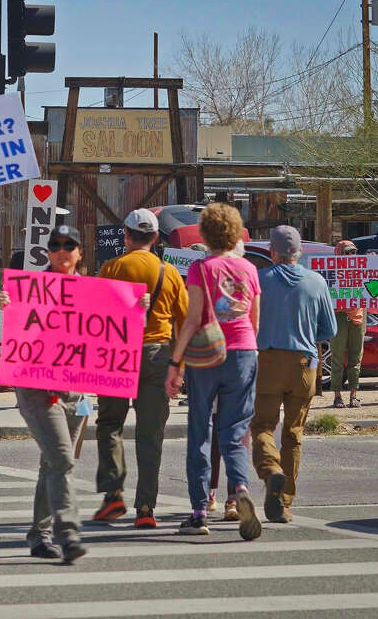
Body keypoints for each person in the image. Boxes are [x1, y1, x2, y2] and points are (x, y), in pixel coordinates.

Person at [165, 203, 262, 540]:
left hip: (207, 354)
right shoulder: (248, 268)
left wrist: (175, 363)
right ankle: (241, 489)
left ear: (204, 234)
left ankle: (199, 511)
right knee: (235, 430)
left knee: (201, 430)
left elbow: (193, 319)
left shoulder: (200, 268)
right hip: (244, 351)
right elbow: (254, 320)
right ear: (235, 233)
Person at [0, 225, 90, 564]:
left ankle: (39, 535)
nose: (63, 250)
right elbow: (21, 331)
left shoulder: (93, 292)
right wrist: (9, 307)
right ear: (48, 252)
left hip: (76, 392)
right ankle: (69, 533)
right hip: (38, 390)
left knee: (51, 463)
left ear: (79, 253)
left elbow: (108, 333)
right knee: (62, 459)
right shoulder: (31, 290)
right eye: (56, 245)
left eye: (69, 244)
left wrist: (138, 306)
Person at [94, 209, 188, 529]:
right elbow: (184, 322)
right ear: (156, 237)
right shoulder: (170, 272)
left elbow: (96, 314)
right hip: (158, 356)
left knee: (110, 424)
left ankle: (113, 495)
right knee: (150, 435)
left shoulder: (113, 267)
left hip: (118, 354)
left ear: (126, 235)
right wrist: (178, 366)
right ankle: (146, 508)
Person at [250, 225, 336, 523]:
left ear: (272, 252)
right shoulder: (316, 282)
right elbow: (329, 330)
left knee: (262, 426)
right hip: (304, 363)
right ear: (299, 252)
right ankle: (284, 502)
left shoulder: (259, 279)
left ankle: (271, 469)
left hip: (268, 361)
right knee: (294, 433)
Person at [330, 240, 365, 408]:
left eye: (353, 252)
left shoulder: (362, 269)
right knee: (337, 357)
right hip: (338, 315)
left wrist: (374, 264)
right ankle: (337, 396)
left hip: (358, 316)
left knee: (356, 358)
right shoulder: (331, 271)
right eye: (347, 252)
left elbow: (376, 285)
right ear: (338, 254)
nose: (351, 255)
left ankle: (354, 395)